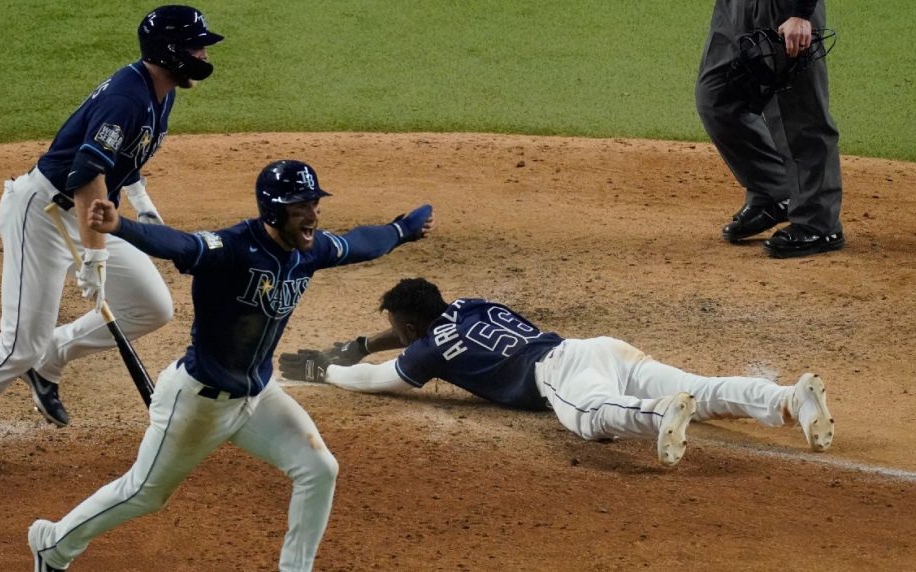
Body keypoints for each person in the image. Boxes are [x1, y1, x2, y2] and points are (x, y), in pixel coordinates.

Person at [27, 160, 435, 572]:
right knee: (144, 493)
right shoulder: (234, 249)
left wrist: (402, 230)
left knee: (318, 468)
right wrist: (121, 227)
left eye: (314, 204)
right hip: (199, 404)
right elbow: (181, 245)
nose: (313, 216)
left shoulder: (306, 253)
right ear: (275, 210)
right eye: (301, 208)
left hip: (258, 395)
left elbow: (361, 243)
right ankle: (54, 545)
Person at [0, 5, 223, 476]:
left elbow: (127, 155)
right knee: (19, 345)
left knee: (151, 307)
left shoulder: (160, 90)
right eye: (196, 45)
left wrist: (142, 203)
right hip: (44, 214)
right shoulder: (127, 99)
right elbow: (86, 175)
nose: (203, 53)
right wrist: (94, 261)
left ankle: (51, 359)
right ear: (171, 52)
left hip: (94, 213)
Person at [279, 278, 835, 467]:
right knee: (704, 389)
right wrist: (359, 342)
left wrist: (326, 370)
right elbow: (411, 333)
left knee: (591, 418)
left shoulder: (428, 351)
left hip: (555, 375)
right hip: (600, 349)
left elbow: (380, 379)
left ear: (409, 325)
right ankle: (791, 399)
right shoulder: (470, 304)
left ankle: (658, 416)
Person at [696, 0, 844, 258]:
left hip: (785, 9)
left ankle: (818, 222)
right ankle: (773, 191)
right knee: (718, 98)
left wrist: (800, 13)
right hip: (734, 7)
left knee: (800, 116)